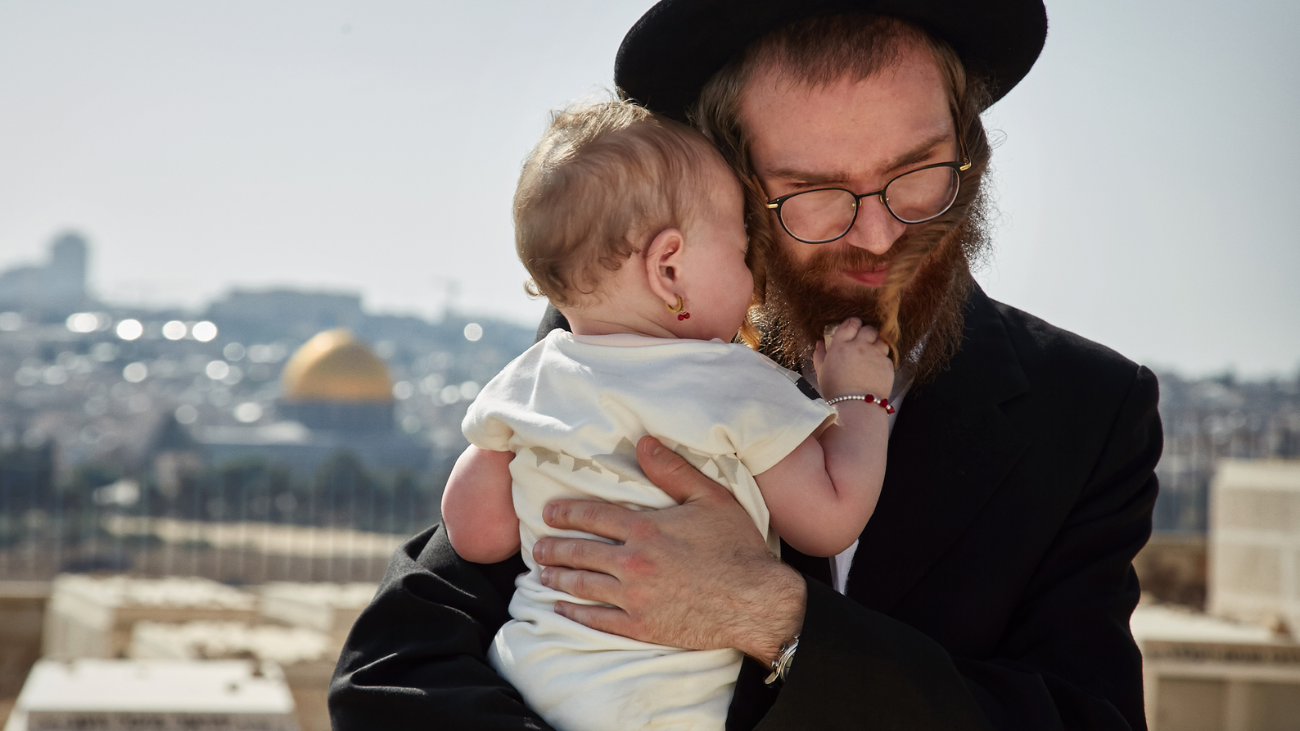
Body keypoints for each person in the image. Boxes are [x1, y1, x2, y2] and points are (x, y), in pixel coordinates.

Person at [329, 2, 1162, 729]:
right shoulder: (632, 340)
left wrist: (777, 617)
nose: (876, 234)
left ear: (971, 149)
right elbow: (396, 673)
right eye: (813, 191)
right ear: (732, 187)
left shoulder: (1088, 409)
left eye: (916, 173)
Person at [438, 100, 895, 731]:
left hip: (526, 680)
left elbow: (474, 535)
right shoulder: (733, 383)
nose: (752, 281)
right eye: (740, 254)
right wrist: (859, 397)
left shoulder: (529, 377)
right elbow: (830, 519)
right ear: (670, 268)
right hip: (659, 711)